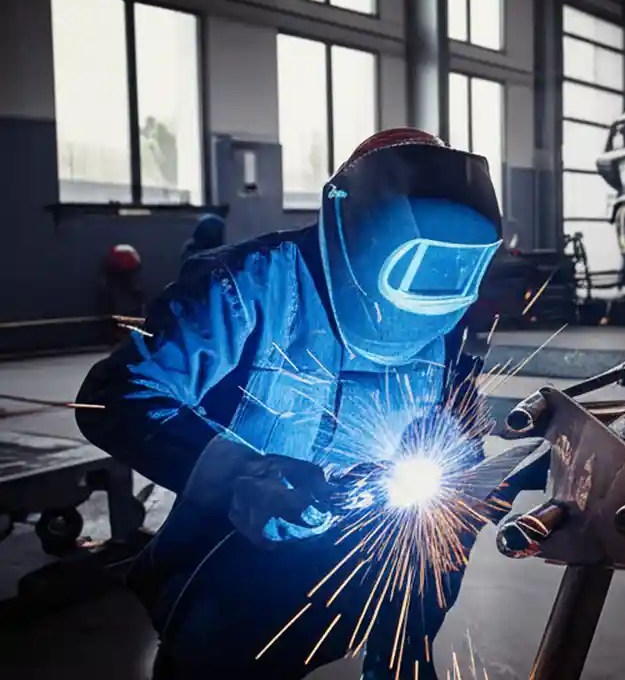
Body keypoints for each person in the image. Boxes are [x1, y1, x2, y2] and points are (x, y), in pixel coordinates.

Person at [76, 129, 540, 679]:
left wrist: (463, 463)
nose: (437, 283)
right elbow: (114, 394)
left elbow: (454, 421)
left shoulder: (446, 307)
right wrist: (244, 474)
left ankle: (401, 662)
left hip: (373, 543)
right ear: (363, 227)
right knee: (215, 653)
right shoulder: (248, 285)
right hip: (241, 554)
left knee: (435, 533)